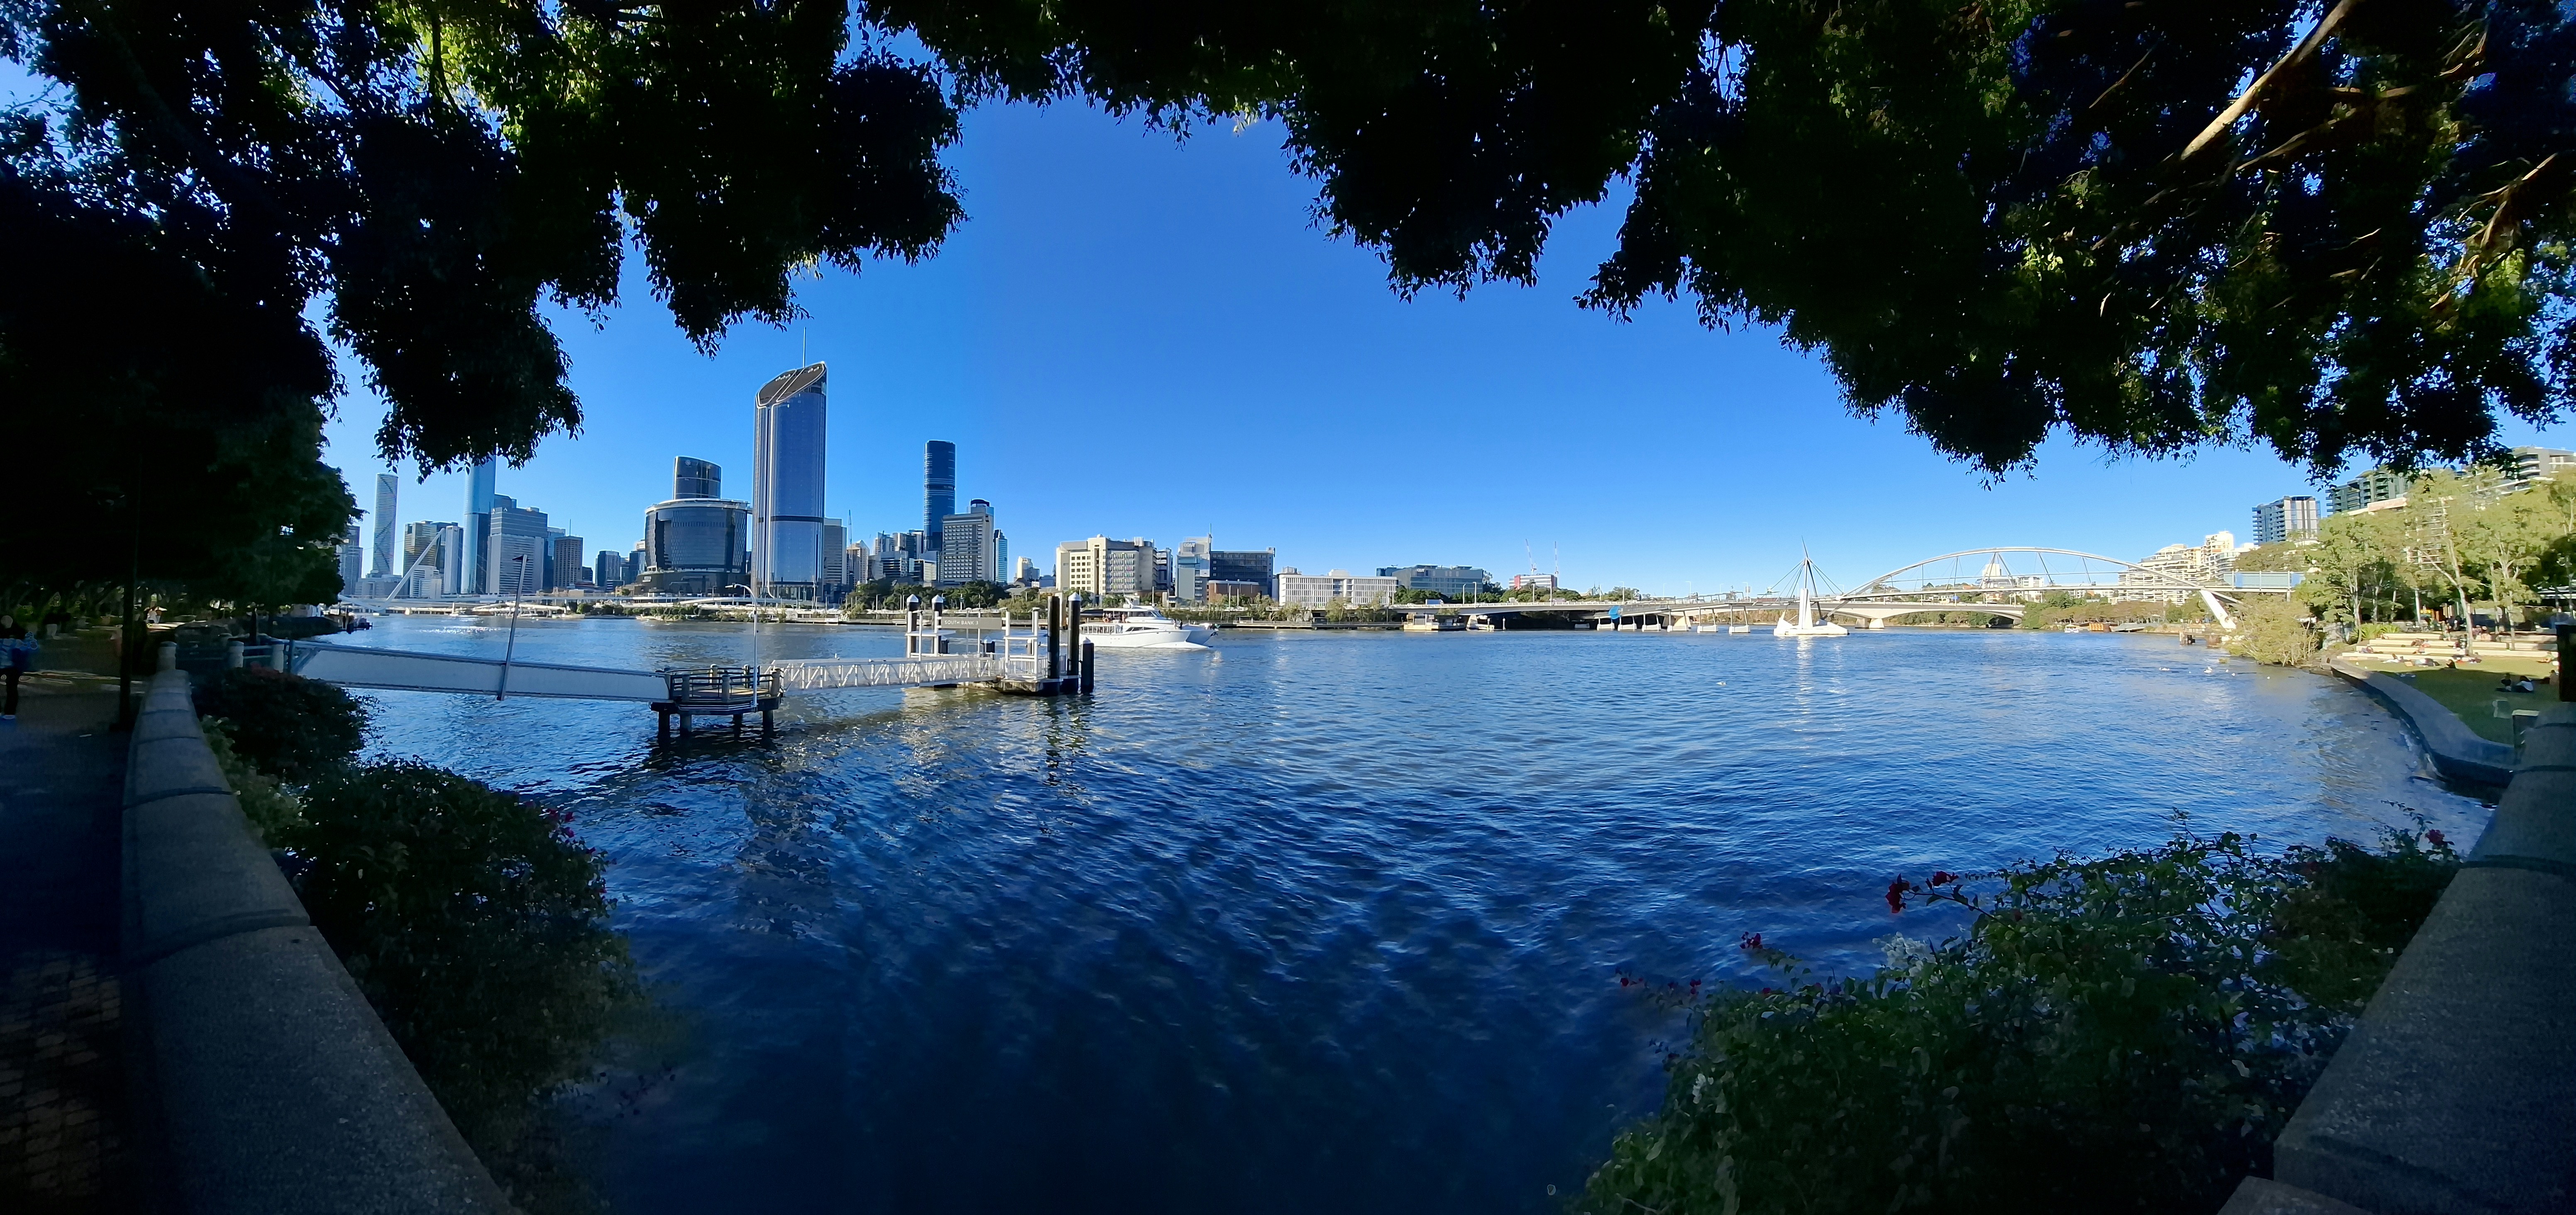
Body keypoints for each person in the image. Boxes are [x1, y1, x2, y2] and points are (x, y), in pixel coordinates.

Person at [1, 614, 33, 721]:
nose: (6, 621)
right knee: (12, 689)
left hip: (13, 666)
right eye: (4, 619)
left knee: (12, 688)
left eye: (8, 619)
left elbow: (27, 645)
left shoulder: (20, 632)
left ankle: (10, 712)